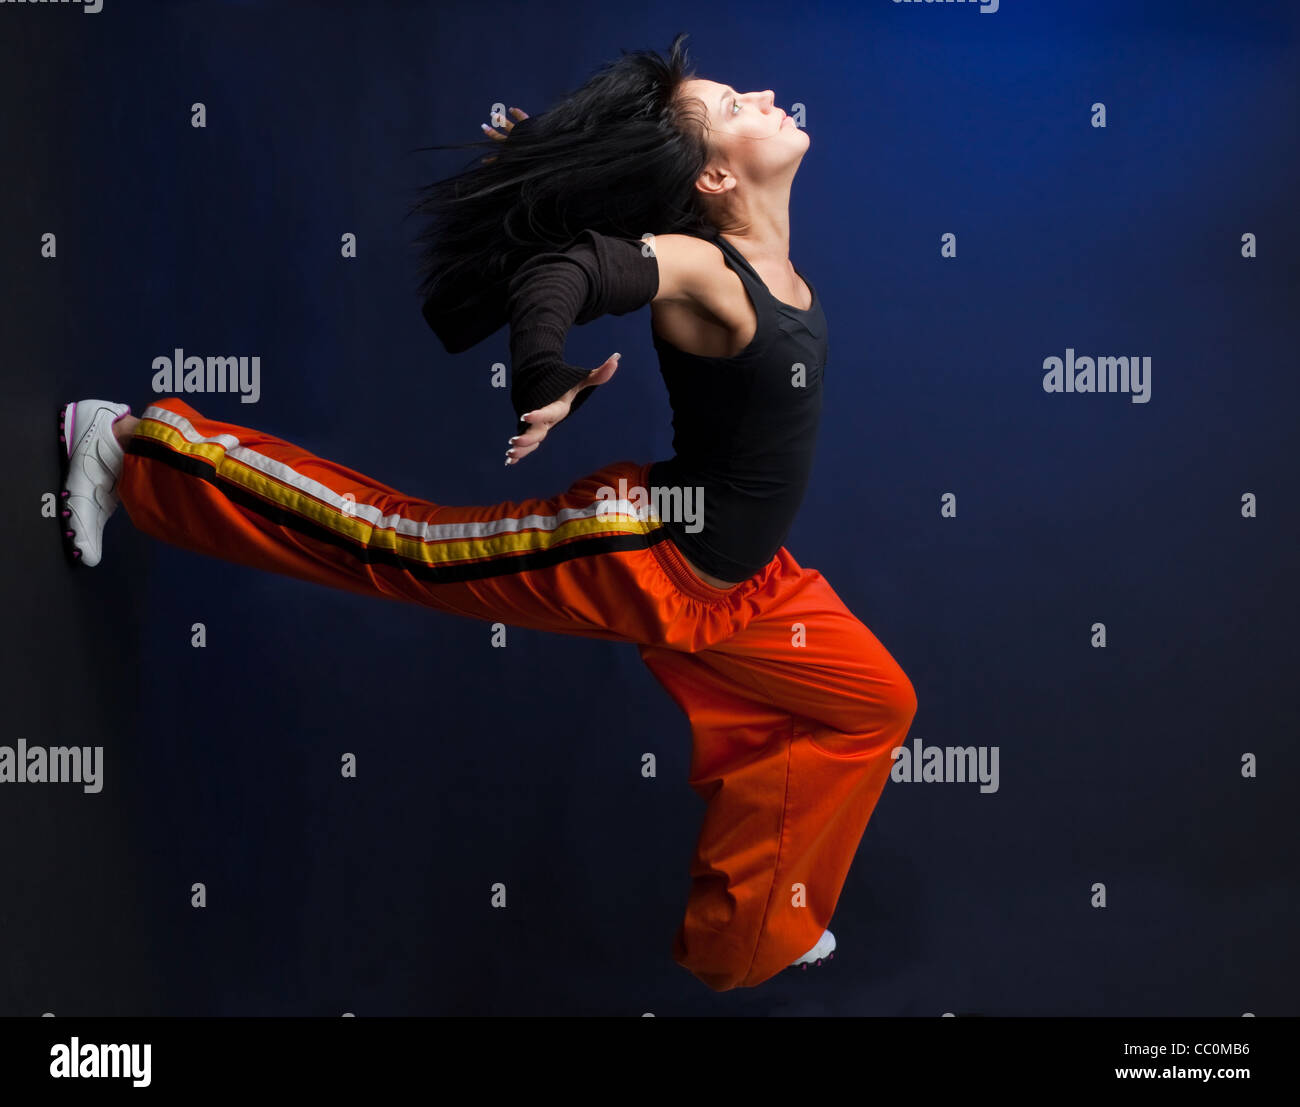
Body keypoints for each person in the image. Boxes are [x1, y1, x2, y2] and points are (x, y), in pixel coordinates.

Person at [56, 33, 917, 992]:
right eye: (734, 105)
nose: (763, 90)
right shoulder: (704, 269)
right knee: (397, 542)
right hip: (639, 554)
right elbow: (574, 273)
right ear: (716, 174)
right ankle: (135, 445)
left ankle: (759, 922)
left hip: (751, 590)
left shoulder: (770, 260)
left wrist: (553, 165)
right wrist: (544, 373)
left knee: (875, 704)